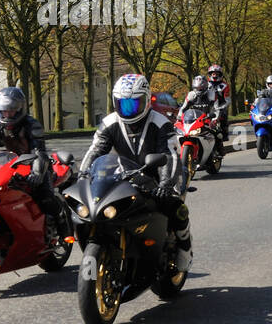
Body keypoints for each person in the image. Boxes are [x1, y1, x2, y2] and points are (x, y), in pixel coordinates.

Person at [81, 74, 192, 270]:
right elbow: (96, 150)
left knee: (174, 206)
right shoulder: (109, 123)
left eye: (133, 104)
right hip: (124, 174)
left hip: (159, 176)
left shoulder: (161, 123)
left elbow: (170, 155)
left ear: (147, 101)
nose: (128, 110)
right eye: (123, 104)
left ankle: (184, 247)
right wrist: (83, 175)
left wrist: (166, 184)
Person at [0, 86, 64, 236]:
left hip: (35, 164)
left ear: (20, 110)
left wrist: (37, 172)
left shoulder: (32, 125)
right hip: (11, 165)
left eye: (11, 111)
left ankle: (62, 225)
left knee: (45, 197)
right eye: (4, 111)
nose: (7, 115)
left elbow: (40, 152)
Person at [179, 75, 226, 161]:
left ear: (205, 87)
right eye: (196, 88)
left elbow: (216, 108)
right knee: (180, 133)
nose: (198, 90)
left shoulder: (211, 95)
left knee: (218, 133)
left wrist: (214, 119)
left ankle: (219, 151)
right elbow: (183, 108)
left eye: (200, 88)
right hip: (194, 120)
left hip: (208, 119)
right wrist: (179, 117)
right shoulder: (191, 95)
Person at [206, 64, 231, 138]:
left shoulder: (225, 85)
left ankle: (225, 132)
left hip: (221, 105)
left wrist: (222, 107)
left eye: (216, 73)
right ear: (210, 74)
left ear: (220, 74)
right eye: (213, 73)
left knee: (223, 116)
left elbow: (227, 99)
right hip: (207, 105)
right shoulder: (205, 83)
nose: (214, 75)